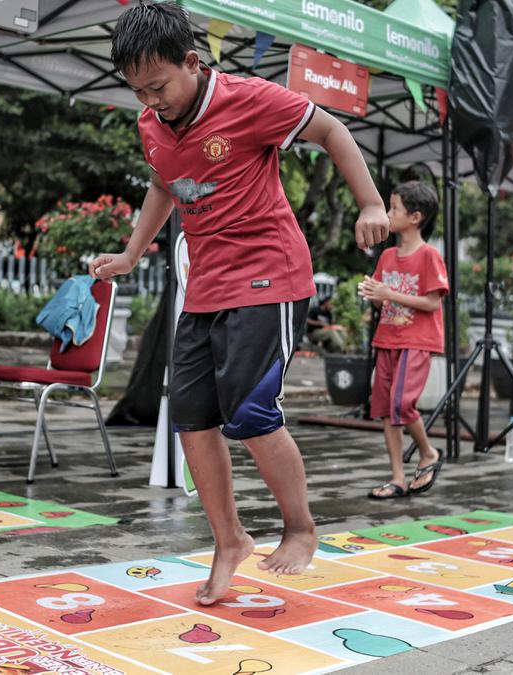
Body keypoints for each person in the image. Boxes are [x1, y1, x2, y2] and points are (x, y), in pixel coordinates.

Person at [88, 2, 389, 605]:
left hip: (269, 277)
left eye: (159, 86)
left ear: (191, 63)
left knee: (250, 411)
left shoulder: (250, 99)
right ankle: (230, 540)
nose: (151, 101)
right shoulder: (152, 124)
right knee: (192, 419)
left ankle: (301, 529)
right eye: (138, 92)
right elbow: (163, 184)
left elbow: (333, 131)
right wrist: (131, 253)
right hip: (207, 286)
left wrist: (372, 204)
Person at [358, 181, 448, 499]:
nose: (387, 213)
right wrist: (374, 295)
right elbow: (383, 300)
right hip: (388, 338)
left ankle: (428, 453)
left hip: (416, 340)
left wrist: (388, 293)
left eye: (394, 208)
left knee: (400, 403)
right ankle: (397, 477)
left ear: (415, 217)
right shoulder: (387, 257)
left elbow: (432, 303)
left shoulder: (429, 256)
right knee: (386, 410)